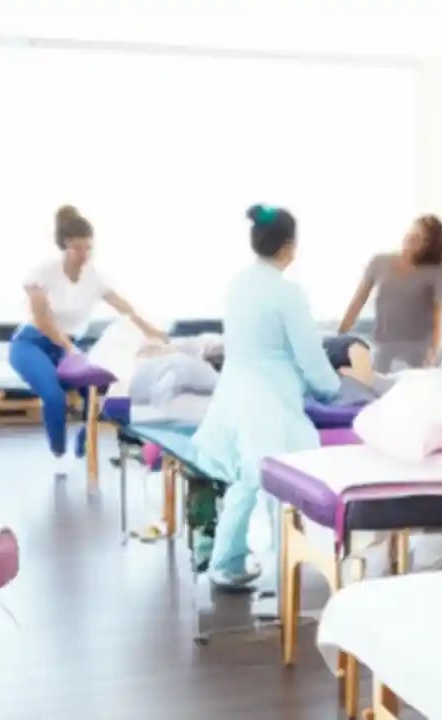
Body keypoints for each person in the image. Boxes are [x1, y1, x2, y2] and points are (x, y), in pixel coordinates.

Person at [192, 203, 342, 590]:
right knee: (272, 473)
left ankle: (234, 558)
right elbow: (309, 353)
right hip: (269, 396)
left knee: (249, 474)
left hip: (238, 389)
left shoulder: (239, 283)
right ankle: (238, 560)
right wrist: (332, 389)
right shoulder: (287, 293)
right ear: (288, 247)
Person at [10, 205, 166, 476]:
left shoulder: (93, 276)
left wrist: (151, 330)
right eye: (77, 248)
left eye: (88, 248)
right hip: (32, 343)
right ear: (65, 245)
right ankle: (58, 452)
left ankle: (85, 444)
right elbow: (43, 318)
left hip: (66, 345)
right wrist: (69, 348)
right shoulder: (44, 272)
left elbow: (123, 307)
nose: (83, 254)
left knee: (101, 392)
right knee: (54, 397)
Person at [338, 214, 442, 372]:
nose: (411, 238)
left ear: (430, 247)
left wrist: (432, 354)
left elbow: (437, 320)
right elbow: (357, 303)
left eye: (419, 238)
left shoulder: (435, 273)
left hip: (419, 350)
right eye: (412, 232)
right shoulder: (379, 262)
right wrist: (339, 335)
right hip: (384, 347)